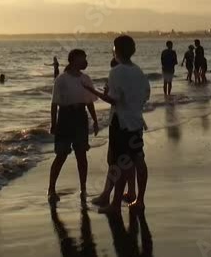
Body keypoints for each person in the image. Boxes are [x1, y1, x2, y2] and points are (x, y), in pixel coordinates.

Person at [85, 35, 151, 213]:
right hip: (136, 122)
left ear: (117, 50)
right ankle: (139, 200)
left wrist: (94, 92)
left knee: (119, 163)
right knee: (138, 160)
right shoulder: (138, 71)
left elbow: (114, 100)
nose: (112, 51)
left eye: (113, 48)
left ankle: (115, 205)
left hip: (121, 123)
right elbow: (146, 94)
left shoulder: (116, 71)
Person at [47, 49, 99, 203]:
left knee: (81, 155)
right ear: (74, 59)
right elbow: (54, 104)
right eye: (83, 58)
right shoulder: (62, 79)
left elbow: (89, 102)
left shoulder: (85, 78)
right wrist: (53, 124)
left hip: (80, 117)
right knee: (61, 155)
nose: (85, 61)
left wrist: (95, 120)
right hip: (65, 117)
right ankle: (51, 189)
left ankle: (83, 189)